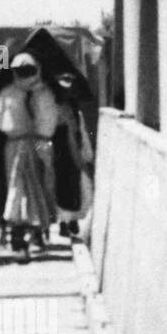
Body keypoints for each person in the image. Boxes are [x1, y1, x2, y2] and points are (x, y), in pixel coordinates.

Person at [0, 52, 59, 261]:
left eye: (28, 70)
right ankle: (18, 240)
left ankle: (37, 233)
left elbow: (49, 120)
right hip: (14, 146)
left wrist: (43, 145)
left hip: (39, 144)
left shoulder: (44, 93)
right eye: (21, 71)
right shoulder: (7, 93)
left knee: (39, 189)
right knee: (18, 189)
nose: (25, 75)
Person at [54, 73, 94, 240]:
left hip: (73, 152)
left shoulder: (75, 112)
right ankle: (64, 221)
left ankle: (71, 219)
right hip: (57, 149)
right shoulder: (52, 108)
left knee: (75, 185)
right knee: (60, 185)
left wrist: (85, 151)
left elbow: (82, 131)